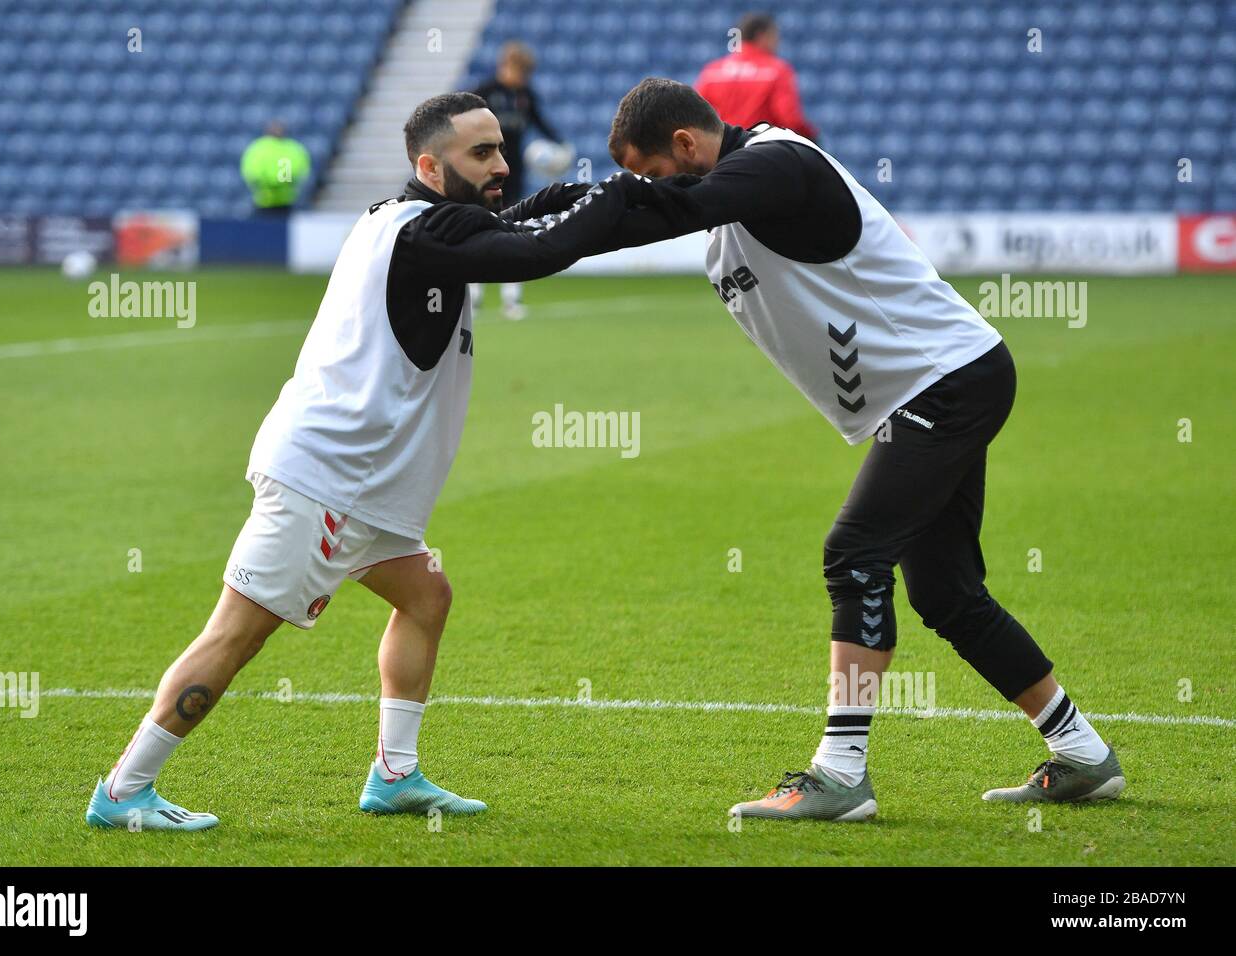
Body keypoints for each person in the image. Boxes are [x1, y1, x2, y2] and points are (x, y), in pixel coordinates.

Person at [433, 78, 1126, 822]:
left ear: (686, 144)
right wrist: (495, 224)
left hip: (946, 382)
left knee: (854, 556)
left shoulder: (777, 164)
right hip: (935, 386)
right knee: (946, 593)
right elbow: (621, 214)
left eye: (654, 171)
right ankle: (1083, 754)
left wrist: (546, 226)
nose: (650, 188)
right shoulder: (725, 194)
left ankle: (841, 773)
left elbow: (658, 209)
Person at [84, 92, 670, 830]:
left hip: (361, 481)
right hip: (327, 477)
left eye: (499, 147)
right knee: (236, 634)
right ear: (430, 166)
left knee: (426, 597)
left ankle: (394, 774)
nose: (501, 163)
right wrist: (621, 191)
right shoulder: (430, 231)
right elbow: (539, 251)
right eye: (481, 153)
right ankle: (125, 790)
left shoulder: (406, 218)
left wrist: (579, 193)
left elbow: (517, 221)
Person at [470, 41, 569, 319]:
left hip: (512, 175)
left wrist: (561, 144)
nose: (522, 78)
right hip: (483, 173)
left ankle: (511, 299)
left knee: (511, 231)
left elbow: (540, 122)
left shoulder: (525, 95)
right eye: (519, 71)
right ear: (506, 66)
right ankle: (473, 299)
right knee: (476, 230)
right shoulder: (484, 93)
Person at [694, 12, 820, 142]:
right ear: (762, 36)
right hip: (764, 148)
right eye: (775, 36)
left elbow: (696, 114)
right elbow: (789, 118)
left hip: (726, 149)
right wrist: (811, 137)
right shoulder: (777, 70)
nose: (777, 42)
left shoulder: (713, 71)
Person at [240, 121, 312, 217]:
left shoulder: (291, 148)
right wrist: (274, 182)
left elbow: (300, 170)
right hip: (265, 201)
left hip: (285, 201)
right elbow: (252, 172)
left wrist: (279, 182)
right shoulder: (259, 148)